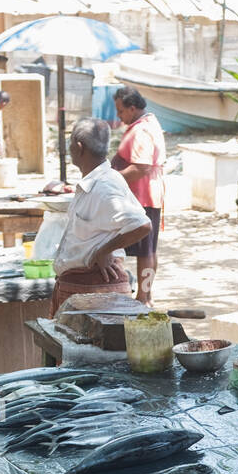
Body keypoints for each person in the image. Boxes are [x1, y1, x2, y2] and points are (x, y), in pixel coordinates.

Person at [50, 118, 150, 315]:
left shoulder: (104, 186)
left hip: (94, 292)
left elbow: (142, 225)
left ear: (79, 147)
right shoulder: (96, 182)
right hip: (80, 290)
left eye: (70, 144)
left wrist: (104, 251)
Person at [110, 86, 166, 303]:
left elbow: (141, 167)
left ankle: (144, 296)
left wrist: (113, 179)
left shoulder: (142, 130)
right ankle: (145, 294)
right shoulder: (145, 123)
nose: (118, 116)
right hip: (145, 194)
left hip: (143, 196)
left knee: (146, 251)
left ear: (132, 108)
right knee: (148, 249)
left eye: (121, 111)